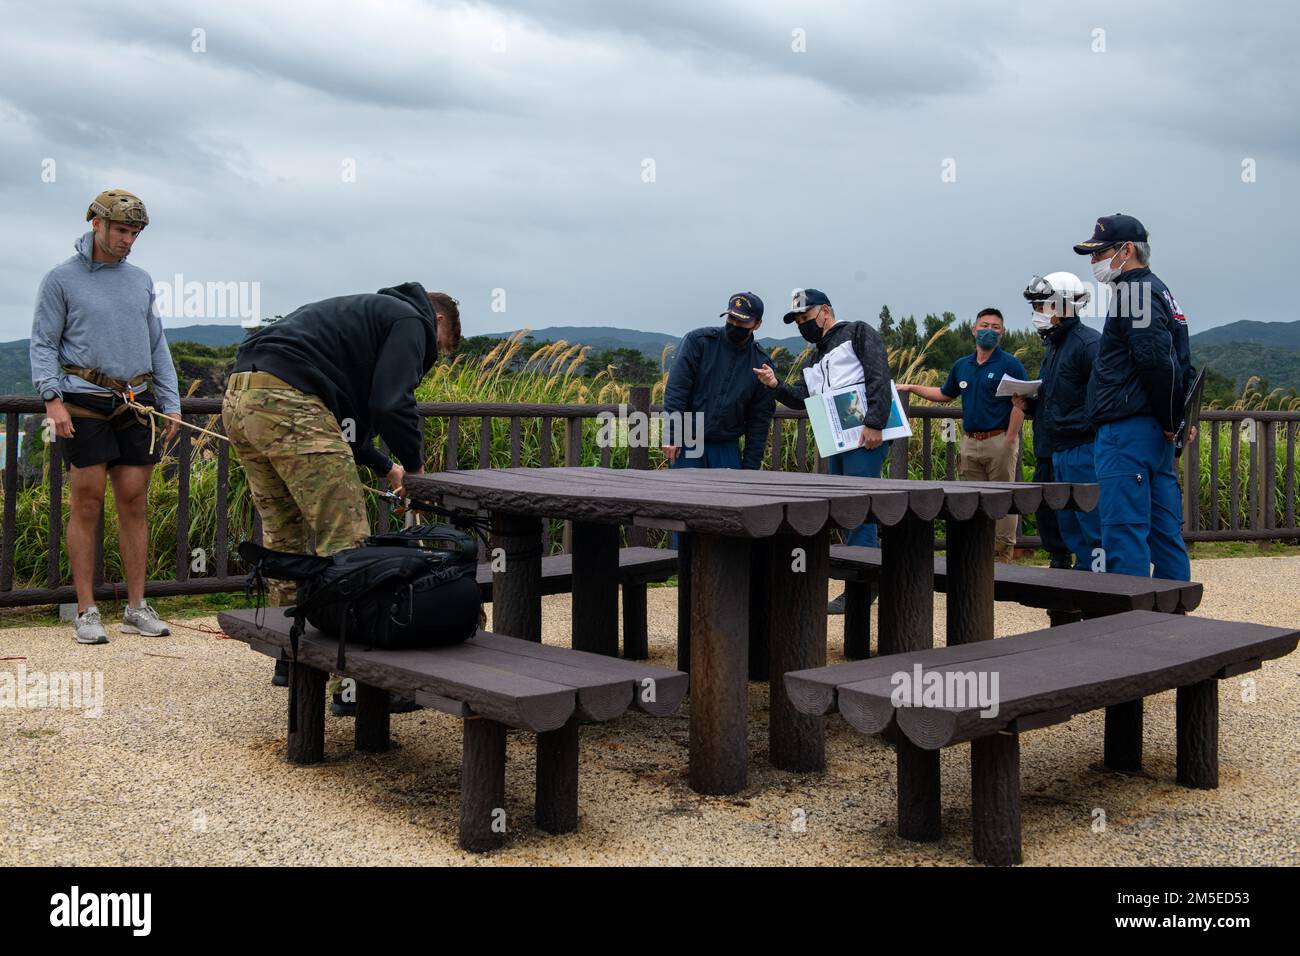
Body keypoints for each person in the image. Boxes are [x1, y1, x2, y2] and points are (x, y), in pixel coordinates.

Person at [223, 284, 460, 699]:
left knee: (286, 541)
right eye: (439, 348)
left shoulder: (361, 316)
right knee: (347, 545)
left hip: (241, 398)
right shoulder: (411, 320)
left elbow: (349, 426)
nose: (432, 358)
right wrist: (417, 467)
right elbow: (390, 403)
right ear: (437, 321)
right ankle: (353, 685)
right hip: (292, 404)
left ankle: (290, 658)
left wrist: (390, 468)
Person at [30, 189, 182, 645]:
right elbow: (42, 343)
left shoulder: (140, 279)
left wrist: (170, 401)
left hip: (135, 400)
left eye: (135, 232)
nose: (128, 240)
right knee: (88, 500)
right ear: (95, 223)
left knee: (134, 501)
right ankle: (86, 610)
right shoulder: (61, 278)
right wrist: (51, 400)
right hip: (82, 400)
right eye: (121, 230)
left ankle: (136, 607)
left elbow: (157, 343)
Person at [753, 288, 890, 614]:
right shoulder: (815, 357)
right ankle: (864, 578)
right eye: (798, 320)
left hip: (862, 437)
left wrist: (874, 422)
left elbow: (878, 375)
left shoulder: (858, 332)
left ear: (825, 311)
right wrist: (775, 386)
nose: (802, 324)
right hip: (835, 438)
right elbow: (803, 398)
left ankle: (863, 583)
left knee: (859, 508)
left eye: (806, 317)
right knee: (843, 510)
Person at [1073, 213, 1192, 580]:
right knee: (1164, 531)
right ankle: (1174, 622)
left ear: (1126, 250)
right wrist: (1176, 418)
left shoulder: (1134, 293)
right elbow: (1180, 362)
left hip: (1127, 432)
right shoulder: (1160, 290)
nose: (1093, 262)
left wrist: (1172, 419)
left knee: (1124, 532)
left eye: (1099, 253)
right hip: (1153, 430)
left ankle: (1130, 628)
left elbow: (1155, 360)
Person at [897, 308, 1027, 561]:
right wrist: (911, 387)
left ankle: (1001, 554)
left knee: (1003, 498)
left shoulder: (1010, 364)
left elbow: (1020, 403)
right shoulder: (962, 365)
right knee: (971, 498)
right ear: (973, 329)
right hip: (970, 442)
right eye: (985, 325)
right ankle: (975, 550)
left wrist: (1010, 439)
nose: (989, 331)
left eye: (995, 327)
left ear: (1002, 332)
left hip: (999, 439)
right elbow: (945, 394)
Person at [1014, 273, 1102, 569]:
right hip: (1055, 448)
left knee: (1091, 526)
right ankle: (1073, 582)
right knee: (1065, 524)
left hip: (1082, 447)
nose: (1036, 314)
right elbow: (1060, 395)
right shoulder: (1053, 345)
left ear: (1060, 305)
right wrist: (1030, 404)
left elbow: (1103, 396)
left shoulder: (1088, 344)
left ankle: (1100, 589)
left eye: (1041, 306)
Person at [662, 292, 776, 470]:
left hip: (727, 446)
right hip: (689, 442)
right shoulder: (698, 342)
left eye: (743, 321)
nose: (735, 324)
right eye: (731, 318)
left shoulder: (762, 364)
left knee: (730, 497)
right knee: (684, 496)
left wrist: (751, 466)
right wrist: (671, 435)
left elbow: (759, 418)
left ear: (757, 324)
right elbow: (676, 391)